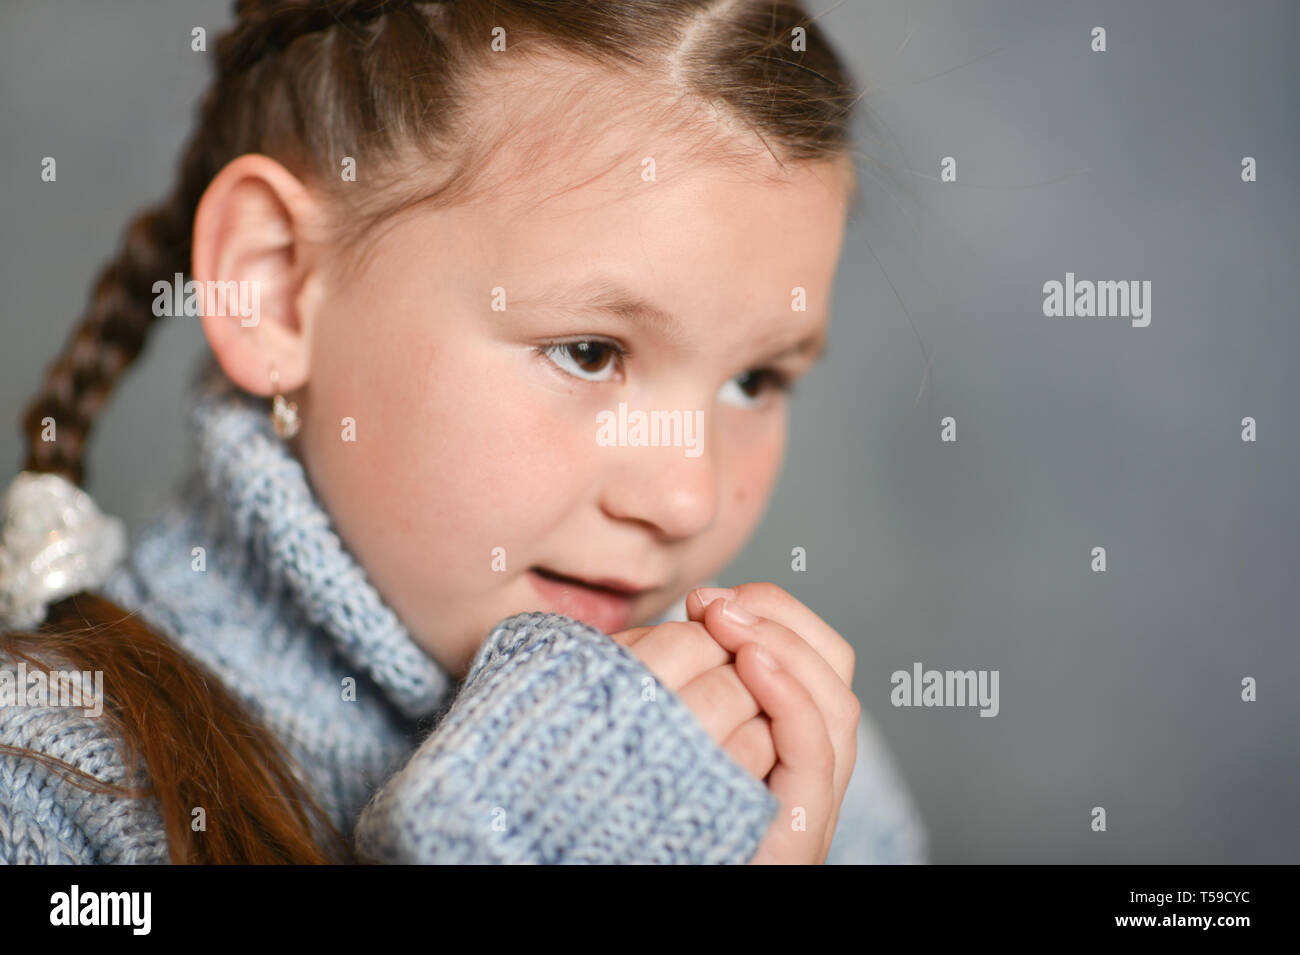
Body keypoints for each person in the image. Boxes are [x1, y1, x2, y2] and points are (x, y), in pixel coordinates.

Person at [0, 0, 927, 864]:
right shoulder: (41, 783)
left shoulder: (771, 754)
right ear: (276, 288)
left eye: (756, 380)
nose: (686, 500)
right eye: (590, 351)